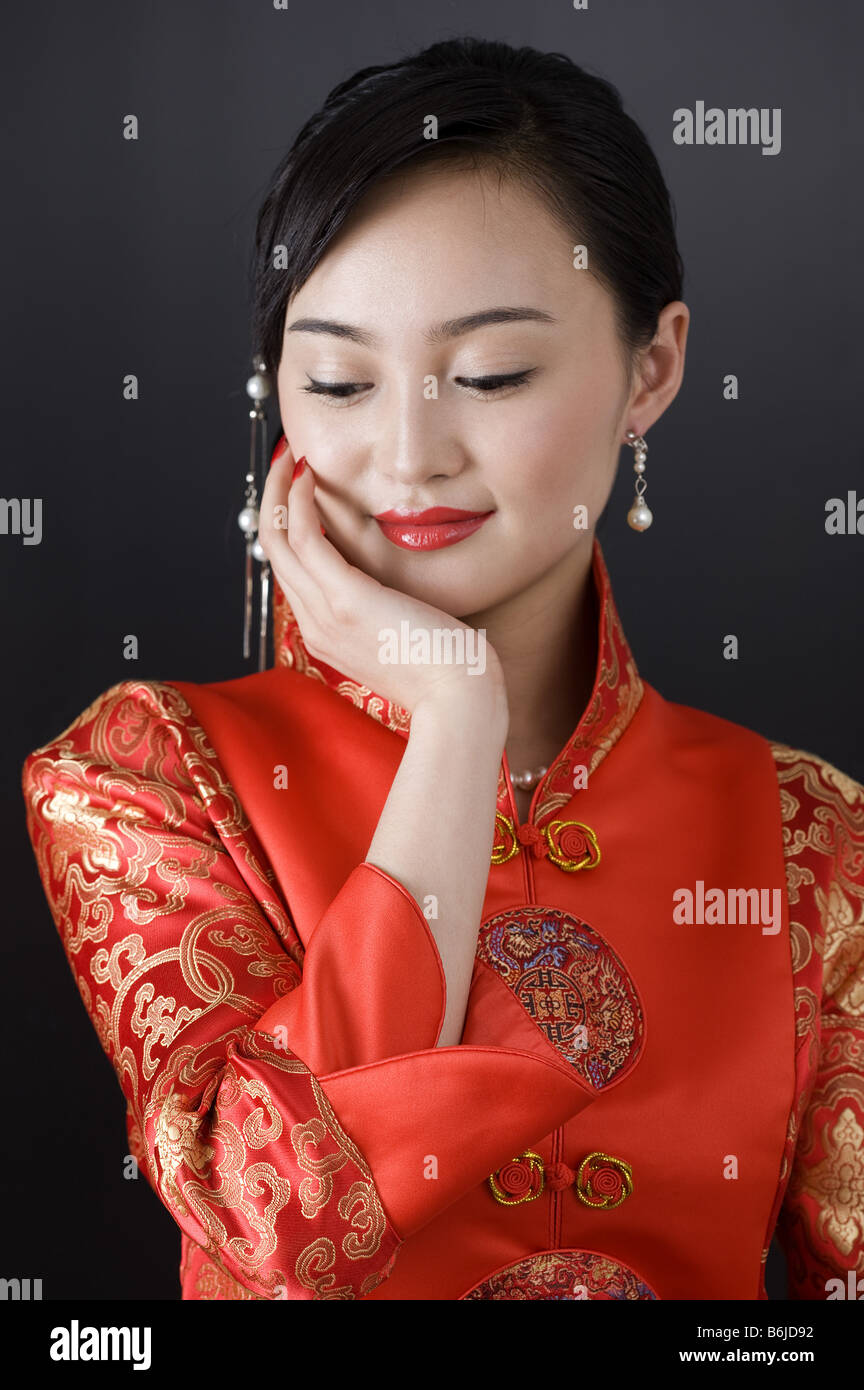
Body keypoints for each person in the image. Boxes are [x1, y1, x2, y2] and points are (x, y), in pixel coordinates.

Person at [21, 36, 864, 1301]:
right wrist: (455, 720)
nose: (407, 456)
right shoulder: (145, 782)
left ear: (654, 369)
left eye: (488, 374)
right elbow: (280, 1227)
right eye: (338, 380)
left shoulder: (811, 839)